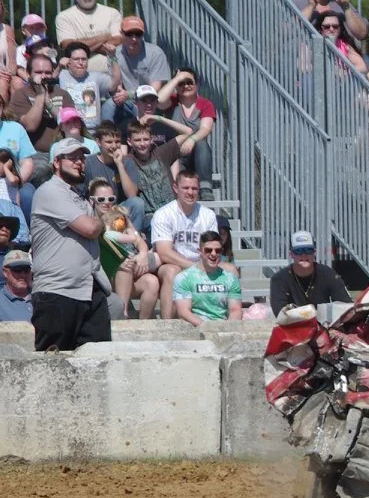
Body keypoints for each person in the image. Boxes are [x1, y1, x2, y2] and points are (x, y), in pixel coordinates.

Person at [29, 138, 110, 350]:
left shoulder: (80, 197)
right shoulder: (50, 191)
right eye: (72, 158)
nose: (79, 163)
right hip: (58, 291)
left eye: (82, 158)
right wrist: (100, 220)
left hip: (88, 288)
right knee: (52, 367)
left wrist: (97, 220)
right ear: (56, 162)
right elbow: (91, 229)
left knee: (99, 362)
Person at [150, 171, 224, 319]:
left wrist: (203, 267)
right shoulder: (163, 214)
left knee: (231, 270)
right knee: (173, 271)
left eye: (194, 189)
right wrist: (195, 268)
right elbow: (164, 252)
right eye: (185, 188)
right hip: (171, 265)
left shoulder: (208, 215)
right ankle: (168, 325)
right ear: (175, 188)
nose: (190, 192)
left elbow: (213, 247)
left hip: (202, 264)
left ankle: (222, 322)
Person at [88, 178, 157, 318]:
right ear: (92, 200)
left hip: (128, 266)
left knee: (152, 282)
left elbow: (138, 240)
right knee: (124, 264)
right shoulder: (89, 220)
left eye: (111, 198)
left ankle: (143, 324)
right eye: (101, 199)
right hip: (102, 271)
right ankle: (123, 314)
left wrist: (143, 254)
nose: (106, 202)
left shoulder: (118, 216)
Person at [54, 0, 123, 73]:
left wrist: (82, 47)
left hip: (111, 74)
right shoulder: (64, 17)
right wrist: (104, 38)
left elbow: (119, 42)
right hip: (78, 76)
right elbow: (68, 47)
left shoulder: (113, 13)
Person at [267, 229, 351, 312]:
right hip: (292, 323)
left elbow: (346, 305)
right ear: (291, 254)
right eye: (298, 251)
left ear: (314, 252)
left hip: (322, 323)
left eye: (308, 250)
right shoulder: (279, 279)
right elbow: (280, 313)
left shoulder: (327, 274)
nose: (303, 255)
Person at [172, 230, 241, 324]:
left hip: (222, 327)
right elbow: (184, 312)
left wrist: (226, 329)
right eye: (208, 250)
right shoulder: (184, 278)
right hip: (195, 329)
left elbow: (235, 310)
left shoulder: (231, 279)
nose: (213, 254)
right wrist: (207, 328)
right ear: (200, 251)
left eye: (218, 251)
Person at [112, 16, 172, 106]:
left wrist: (129, 95)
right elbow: (116, 84)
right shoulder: (115, 54)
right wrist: (120, 93)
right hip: (129, 100)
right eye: (129, 34)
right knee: (110, 105)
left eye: (138, 34)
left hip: (152, 101)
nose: (134, 39)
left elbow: (155, 89)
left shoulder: (156, 53)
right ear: (121, 33)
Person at [57, 43, 113, 125]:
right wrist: (58, 67)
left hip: (94, 131)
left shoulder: (95, 76)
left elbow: (114, 84)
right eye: (76, 59)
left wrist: (113, 57)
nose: (81, 62)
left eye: (84, 59)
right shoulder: (62, 74)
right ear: (68, 60)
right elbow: (47, 82)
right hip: (70, 129)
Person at [0, 85, 37, 184]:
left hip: (12, 182)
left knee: (27, 195)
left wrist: (17, 182)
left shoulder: (16, 128)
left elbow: (26, 162)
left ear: (2, 105)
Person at [316, 8, 368, 75]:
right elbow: (303, 67)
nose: (331, 29)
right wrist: (330, 70)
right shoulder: (311, 45)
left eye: (335, 26)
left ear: (340, 29)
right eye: (327, 27)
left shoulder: (344, 45)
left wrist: (344, 73)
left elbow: (362, 67)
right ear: (320, 29)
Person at [0, 248, 31, 321]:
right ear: (5, 272)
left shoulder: (41, 297)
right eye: (17, 270)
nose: (23, 274)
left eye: (26, 270)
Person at [0, 0, 16, 98]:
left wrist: (10, 72)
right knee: (1, 85)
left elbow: (12, 61)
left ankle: (19, 115)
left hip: (5, 75)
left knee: (18, 83)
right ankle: (2, 115)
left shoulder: (7, 30)